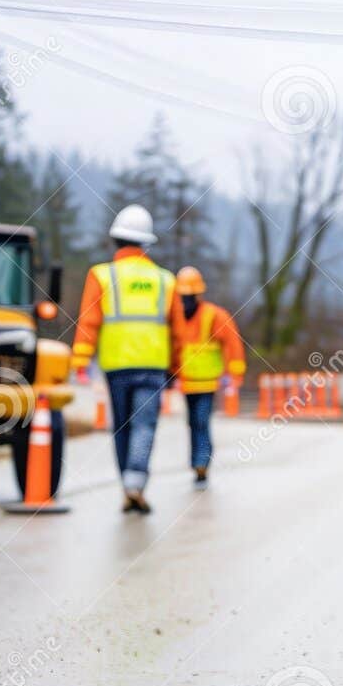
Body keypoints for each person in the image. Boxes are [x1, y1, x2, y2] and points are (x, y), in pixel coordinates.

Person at [72, 204, 186, 513]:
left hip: (117, 365)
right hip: (153, 365)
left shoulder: (101, 275)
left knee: (122, 427)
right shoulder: (166, 280)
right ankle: (136, 482)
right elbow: (179, 331)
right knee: (145, 425)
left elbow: (89, 321)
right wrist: (178, 368)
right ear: (146, 242)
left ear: (116, 240)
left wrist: (80, 360)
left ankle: (127, 484)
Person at [173, 265, 245, 490]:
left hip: (207, 382)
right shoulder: (174, 317)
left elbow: (233, 344)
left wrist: (235, 375)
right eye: (182, 296)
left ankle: (201, 465)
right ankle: (197, 464)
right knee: (192, 423)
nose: (185, 301)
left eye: (189, 296)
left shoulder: (215, 315)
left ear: (198, 294)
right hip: (185, 382)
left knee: (201, 422)